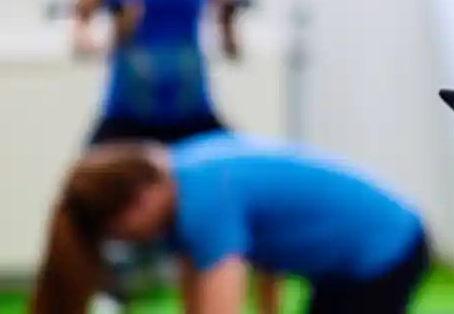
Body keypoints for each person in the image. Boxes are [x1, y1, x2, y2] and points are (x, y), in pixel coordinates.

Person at [69, 0, 269, 307]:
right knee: (81, 206)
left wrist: (228, 23)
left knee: (248, 190)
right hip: (128, 109)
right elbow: (80, 37)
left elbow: (231, 47)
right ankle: (98, 299)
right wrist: (115, 30)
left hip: (190, 108)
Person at [28, 132, 431, 314]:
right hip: (345, 264)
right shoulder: (183, 174)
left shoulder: (202, 197)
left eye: (121, 233)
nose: (131, 242)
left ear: (139, 201)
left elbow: (220, 303)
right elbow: (207, 281)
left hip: (386, 251)